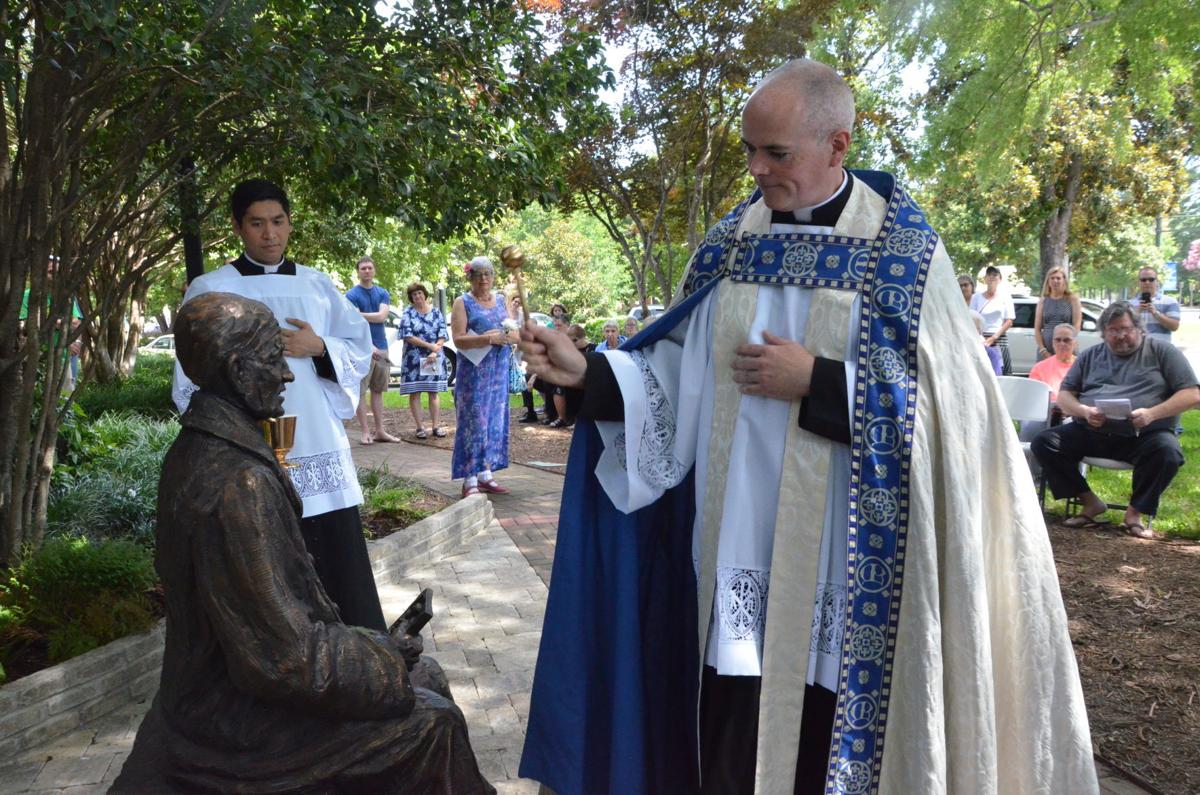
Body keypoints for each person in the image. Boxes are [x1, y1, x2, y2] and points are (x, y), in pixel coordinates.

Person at [518, 59, 1098, 794]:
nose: (757, 170)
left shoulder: (903, 257)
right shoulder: (732, 246)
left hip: (849, 569)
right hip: (738, 548)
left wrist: (820, 382)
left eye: (776, 153)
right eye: (749, 152)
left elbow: (956, 415)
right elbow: (674, 374)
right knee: (728, 727)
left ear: (838, 145)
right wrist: (589, 373)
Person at [114, 292, 493, 794]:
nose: (287, 373)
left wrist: (379, 649)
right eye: (274, 357)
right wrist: (383, 659)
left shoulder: (205, 448)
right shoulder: (236, 485)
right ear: (238, 370)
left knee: (426, 676)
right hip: (227, 713)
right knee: (433, 720)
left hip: (226, 683)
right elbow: (284, 662)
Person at [172, 178, 387, 632]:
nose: (269, 234)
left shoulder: (317, 284)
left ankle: (359, 648)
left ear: (290, 224)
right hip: (246, 446)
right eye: (256, 223)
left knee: (337, 560)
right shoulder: (211, 288)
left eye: (278, 221)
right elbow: (189, 372)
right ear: (237, 227)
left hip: (315, 438)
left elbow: (359, 347)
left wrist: (320, 346)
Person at [1032, 302, 1199, 539]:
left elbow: (1191, 394)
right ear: (1103, 333)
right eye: (1113, 330)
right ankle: (1090, 503)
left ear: (1139, 329)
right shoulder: (1091, 355)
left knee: (1168, 452)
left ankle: (1134, 513)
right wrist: (1084, 411)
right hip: (1094, 431)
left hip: (1145, 434)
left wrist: (1152, 413)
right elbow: (1065, 396)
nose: (1121, 336)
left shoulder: (1163, 352)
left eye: (1126, 329)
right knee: (1045, 442)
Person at [450, 256, 519, 497]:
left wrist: (509, 335)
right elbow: (458, 339)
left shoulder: (501, 300)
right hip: (474, 375)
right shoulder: (463, 302)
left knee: (493, 423)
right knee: (473, 424)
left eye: (488, 273)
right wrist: (488, 338)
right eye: (478, 274)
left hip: (498, 375)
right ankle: (469, 480)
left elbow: (516, 334)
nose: (484, 278)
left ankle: (486, 475)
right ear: (470, 277)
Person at [345, 256, 400, 444]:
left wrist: (360, 315)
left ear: (374, 270)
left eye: (369, 267)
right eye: (363, 268)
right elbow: (352, 324)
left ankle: (380, 431)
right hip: (361, 349)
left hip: (382, 347)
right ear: (358, 272)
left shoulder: (382, 293)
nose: (367, 271)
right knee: (361, 391)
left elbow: (382, 317)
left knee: (378, 390)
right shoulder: (351, 295)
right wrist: (369, 347)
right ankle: (365, 432)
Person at [398, 281, 449, 438]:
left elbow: (443, 333)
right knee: (415, 392)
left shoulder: (436, 313)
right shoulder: (408, 313)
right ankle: (420, 427)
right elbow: (407, 335)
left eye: (420, 293)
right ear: (411, 298)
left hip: (433, 358)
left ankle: (435, 426)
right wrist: (429, 346)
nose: (418, 296)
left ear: (425, 294)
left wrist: (435, 349)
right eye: (414, 294)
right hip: (413, 358)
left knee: (433, 392)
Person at [969, 265, 1016, 374]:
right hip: (980, 339)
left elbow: (1009, 321)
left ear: (1000, 279)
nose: (991, 277)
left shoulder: (1006, 297)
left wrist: (994, 337)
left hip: (999, 339)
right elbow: (971, 317)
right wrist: (981, 338)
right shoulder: (976, 297)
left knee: (1002, 373)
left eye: (995, 275)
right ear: (985, 278)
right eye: (989, 274)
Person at [1033, 266, 1082, 360]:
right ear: (1048, 281)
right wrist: (1043, 349)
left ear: (1064, 280)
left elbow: (1077, 324)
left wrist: (1069, 344)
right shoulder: (1043, 301)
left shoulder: (1072, 299)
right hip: (1046, 348)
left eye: (1058, 278)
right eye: (1052, 278)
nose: (1055, 281)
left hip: (1067, 346)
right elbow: (1037, 328)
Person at [1029, 322, 1078, 401]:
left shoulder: (1083, 366)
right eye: (1058, 340)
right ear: (1052, 343)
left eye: (1066, 340)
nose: (1062, 344)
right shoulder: (1039, 368)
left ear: (1075, 343)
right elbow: (1033, 396)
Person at [1135, 266, 1181, 343]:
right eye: (1143, 280)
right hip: (1137, 350)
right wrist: (1135, 313)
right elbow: (1122, 326)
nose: (1147, 282)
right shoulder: (1129, 304)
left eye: (1151, 279)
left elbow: (1174, 327)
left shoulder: (1170, 302)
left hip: (1161, 350)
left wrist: (1156, 313)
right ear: (1138, 282)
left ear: (1157, 281)